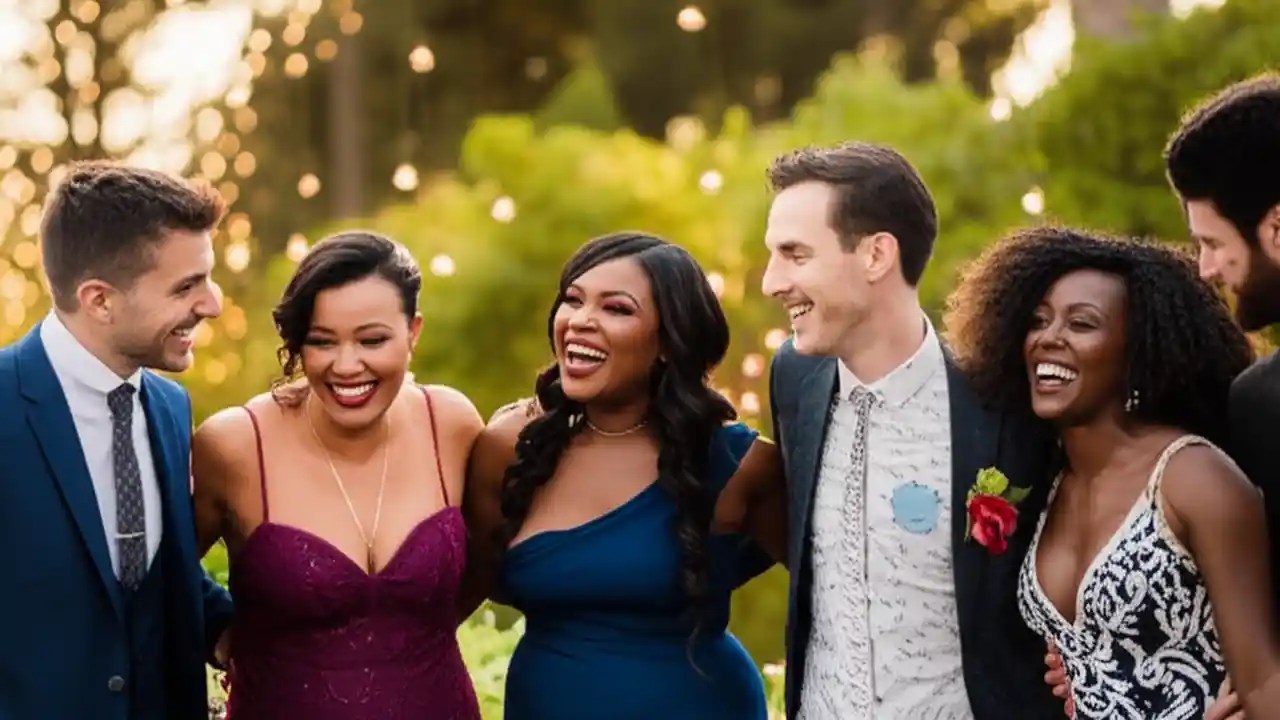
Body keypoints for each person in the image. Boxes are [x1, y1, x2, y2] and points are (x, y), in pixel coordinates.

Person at [762, 141, 1061, 720]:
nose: (772, 281)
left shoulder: (1003, 403)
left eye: (795, 255)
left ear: (876, 255)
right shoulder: (792, 378)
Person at [946, 226, 1280, 719]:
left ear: (1137, 351)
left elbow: (1265, 679)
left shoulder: (1192, 477)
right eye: (1038, 321)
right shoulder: (1047, 481)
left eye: (1082, 324)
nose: (1048, 338)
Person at [464, 231, 787, 720]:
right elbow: (477, 583)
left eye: (616, 308)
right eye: (572, 300)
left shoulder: (736, 464)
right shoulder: (510, 446)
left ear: (667, 342)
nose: (581, 322)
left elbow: (832, 599)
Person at [191, 232, 485, 719]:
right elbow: (159, 576)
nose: (347, 366)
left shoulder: (451, 424)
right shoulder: (235, 444)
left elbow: (490, 562)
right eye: (321, 341)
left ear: (413, 331)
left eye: (372, 340)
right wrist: (218, 634)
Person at [0, 161, 233, 719]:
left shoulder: (170, 407)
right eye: (186, 287)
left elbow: (152, 574)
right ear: (99, 300)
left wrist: (236, 633)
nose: (213, 304)